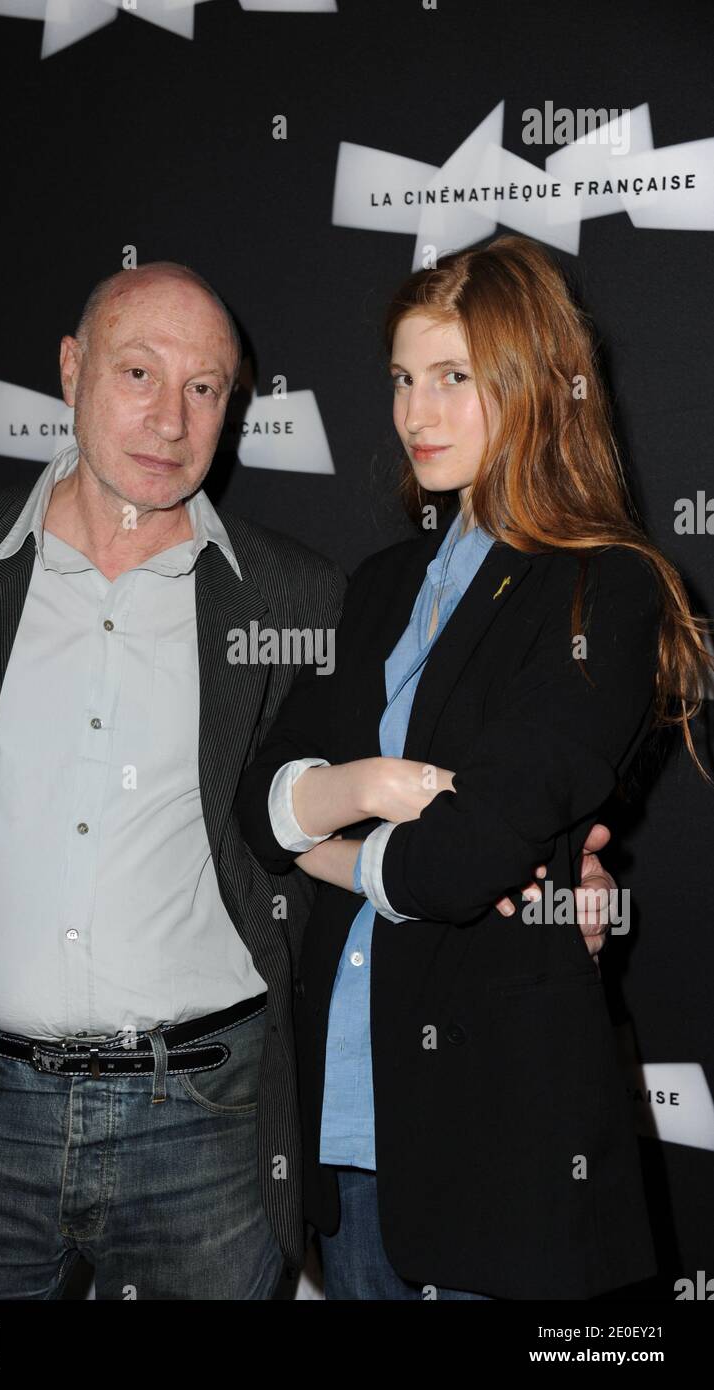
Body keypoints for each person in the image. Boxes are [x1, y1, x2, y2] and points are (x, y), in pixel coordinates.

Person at [0, 257, 619, 1300]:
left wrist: (541, 875)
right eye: (137, 373)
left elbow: (364, 817)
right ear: (71, 370)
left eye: (204, 388)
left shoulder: (298, 593)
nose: (169, 418)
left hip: (209, 1130)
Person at [233, 234, 713, 1300]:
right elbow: (257, 802)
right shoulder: (379, 585)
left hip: (504, 1148)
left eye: (453, 379)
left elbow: (457, 858)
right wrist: (364, 790)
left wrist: (329, 851)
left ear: (536, 387)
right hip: (351, 1142)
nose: (415, 415)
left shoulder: (605, 588)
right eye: (403, 380)